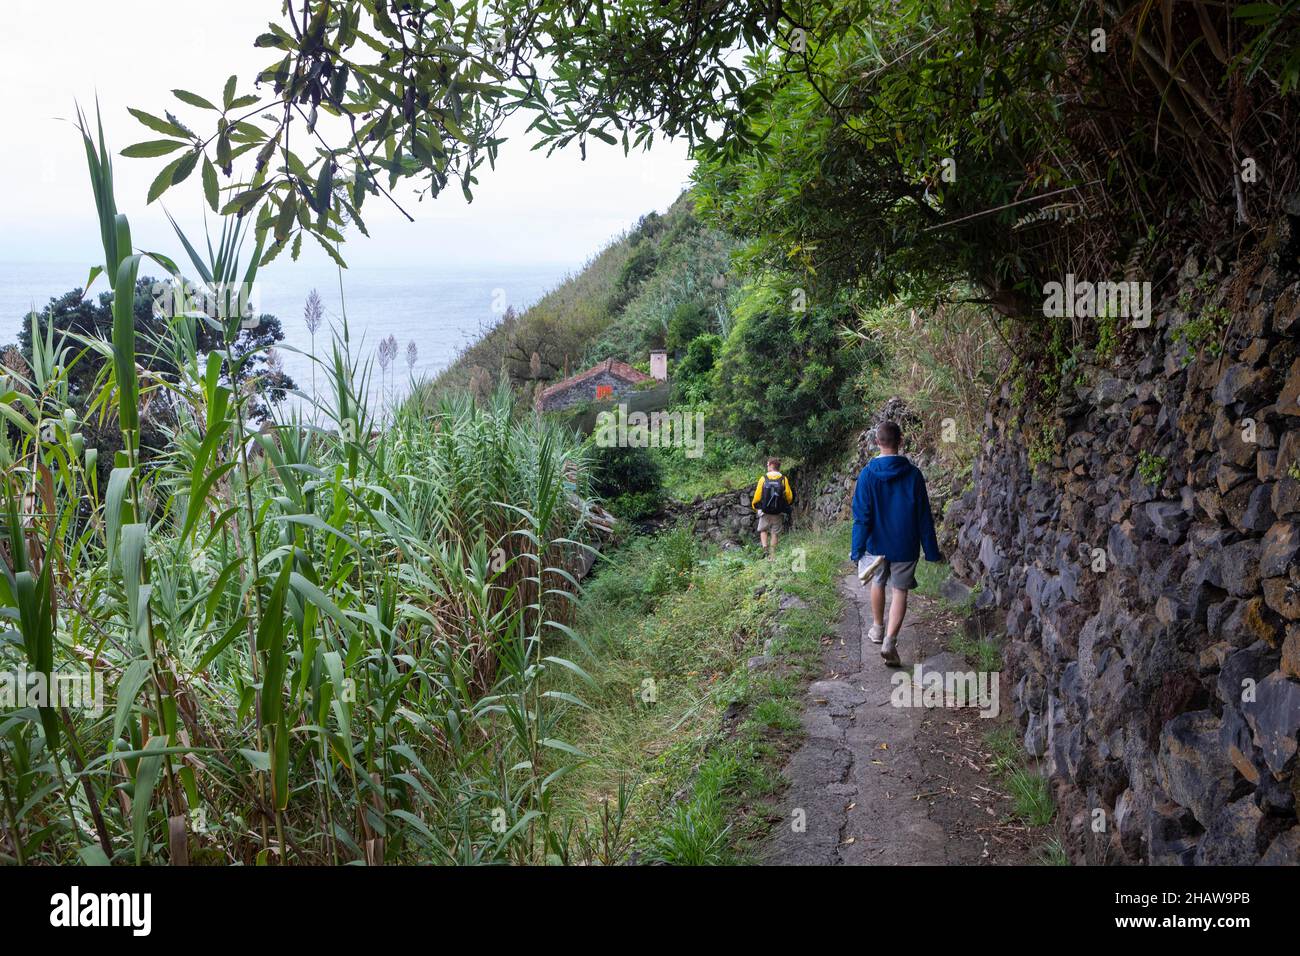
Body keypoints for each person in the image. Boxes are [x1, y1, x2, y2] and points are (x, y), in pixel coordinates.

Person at [849, 421, 942, 666]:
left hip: (876, 544)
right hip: (905, 544)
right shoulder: (913, 475)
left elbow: (862, 516)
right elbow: (924, 516)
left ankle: (878, 628)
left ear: (877, 442)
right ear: (901, 440)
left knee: (878, 582)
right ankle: (891, 639)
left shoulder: (867, 475)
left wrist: (857, 549)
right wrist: (931, 550)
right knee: (900, 590)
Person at [751, 457, 794, 558]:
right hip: (777, 511)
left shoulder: (763, 478)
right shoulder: (783, 479)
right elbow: (789, 496)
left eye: (767, 465)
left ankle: (765, 549)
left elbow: (757, 496)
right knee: (775, 532)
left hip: (764, 510)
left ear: (771, 465)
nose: (767, 466)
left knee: (763, 530)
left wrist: (755, 506)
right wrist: (785, 505)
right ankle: (772, 554)